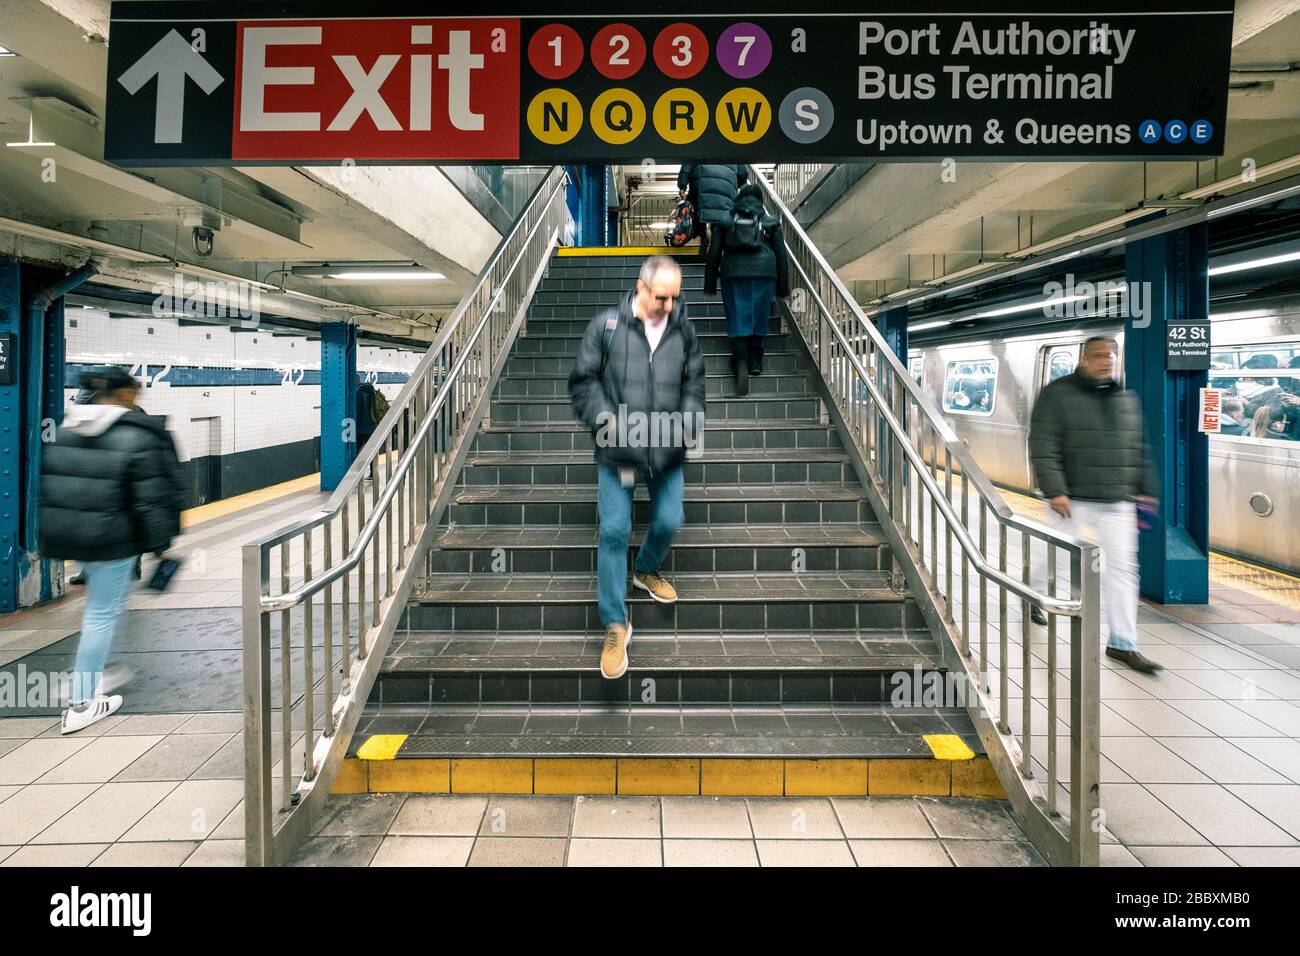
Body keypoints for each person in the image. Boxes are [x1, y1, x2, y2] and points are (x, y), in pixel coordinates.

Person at [568, 256, 706, 679]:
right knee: (612, 531)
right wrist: (607, 422)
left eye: (675, 297)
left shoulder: (683, 329)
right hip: (617, 451)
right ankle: (615, 624)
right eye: (662, 297)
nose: (670, 305)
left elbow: (694, 383)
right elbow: (583, 382)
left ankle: (645, 568)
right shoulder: (606, 327)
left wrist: (684, 425)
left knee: (669, 518)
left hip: (664, 448)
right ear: (641, 289)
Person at [39, 367, 183, 732]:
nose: (137, 398)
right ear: (123, 395)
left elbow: (54, 489)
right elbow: (151, 499)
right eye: (134, 392)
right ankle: (82, 703)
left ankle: (94, 671)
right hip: (114, 540)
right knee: (101, 615)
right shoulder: (137, 435)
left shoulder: (66, 430)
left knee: (105, 608)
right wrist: (160, 547)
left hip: (75, 537)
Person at [1028, 336, 1162, 674]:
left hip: (1118, 499)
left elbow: (1139, 446)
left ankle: (1122, 643)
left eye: (1112, 355)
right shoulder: (1056, 394)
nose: (1107, 361)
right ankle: (1034, 594)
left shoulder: (1124, 398)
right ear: (1084, 359)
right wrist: (1054, 489)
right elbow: (1043, 443)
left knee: (1123, 569)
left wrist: (1145, 489)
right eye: (1100, 355)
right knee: (1053, 555)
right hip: (1071, 498)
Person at [705, 182, 790, 396]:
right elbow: (781, 256)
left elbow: (713, 253)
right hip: (764, 274)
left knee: (737, 315)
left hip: (733, 274)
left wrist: (709, 283)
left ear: (738, 199)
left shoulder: (725, 221)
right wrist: (783, 287)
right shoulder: (770, 222)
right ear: (761, 201)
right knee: (759, 315)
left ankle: (740, 359)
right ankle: (755, 360)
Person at [677, 164, 747, 259]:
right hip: (726, 187)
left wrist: (682, 186)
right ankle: (719, 252)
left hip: (701, 183)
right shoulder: (734, 149)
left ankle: (703, 241)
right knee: (721, 224)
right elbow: (742, 174)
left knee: (700, 213)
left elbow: (687, 164)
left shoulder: (696, 148)